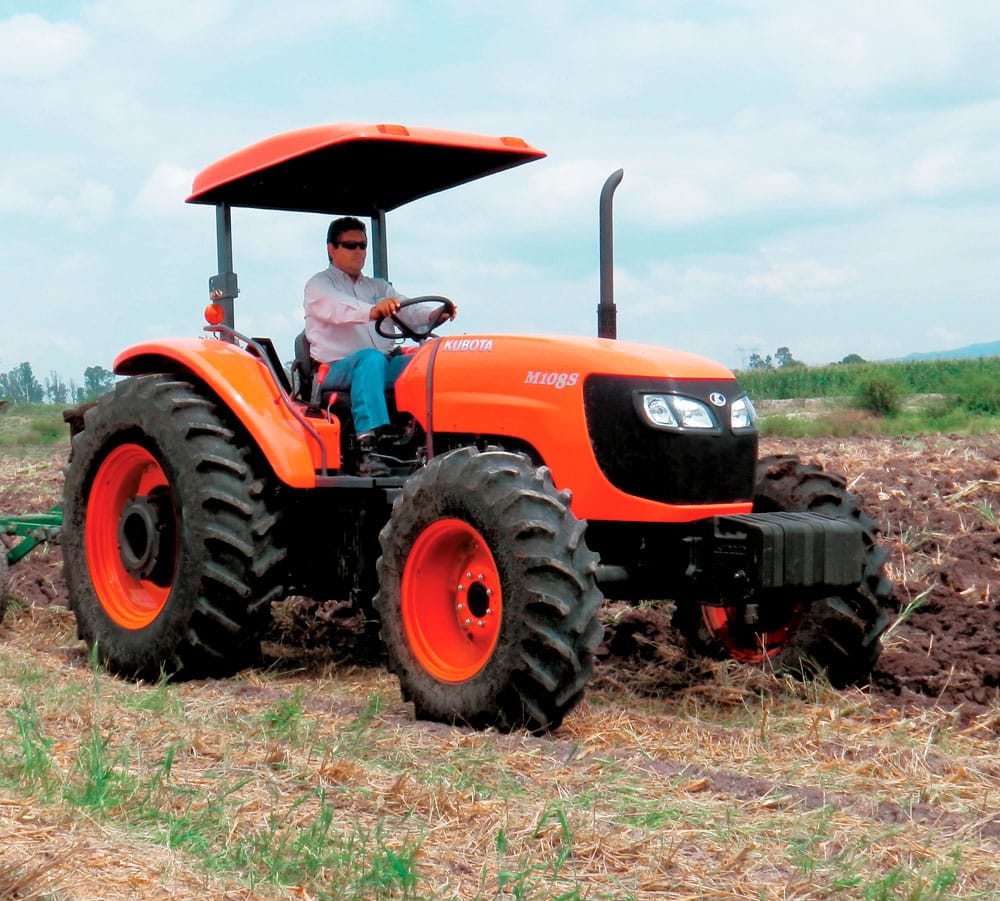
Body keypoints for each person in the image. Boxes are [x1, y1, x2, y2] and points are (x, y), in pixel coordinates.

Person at [303, 216, 447, 476]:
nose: (359, 252)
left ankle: (434, 440)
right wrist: (372, 311)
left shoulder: (377, 286)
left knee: (430, 359)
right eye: (350, 245)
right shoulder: (320, 286)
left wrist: (434, 314)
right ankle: (369, 447)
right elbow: (337, 308)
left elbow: (405, 308)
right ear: (331, 249)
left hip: (382, 363)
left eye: (362, 245)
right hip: (335, 370)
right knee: (370, 359)